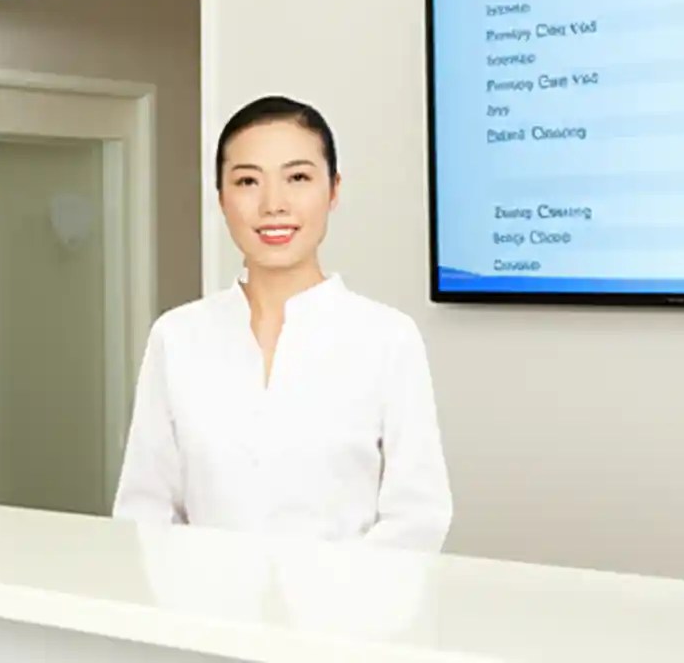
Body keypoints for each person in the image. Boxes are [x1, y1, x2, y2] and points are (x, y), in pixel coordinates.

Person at [112, 95, 453, 552]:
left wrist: (332, 600)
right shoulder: (177, 338)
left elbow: (418, 517)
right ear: (221, 198)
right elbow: (144, 512)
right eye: (248, 181)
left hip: (347, 617)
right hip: (202, 615)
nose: (274, 204)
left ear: (333, 189)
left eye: (297, 177)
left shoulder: (387, 339)